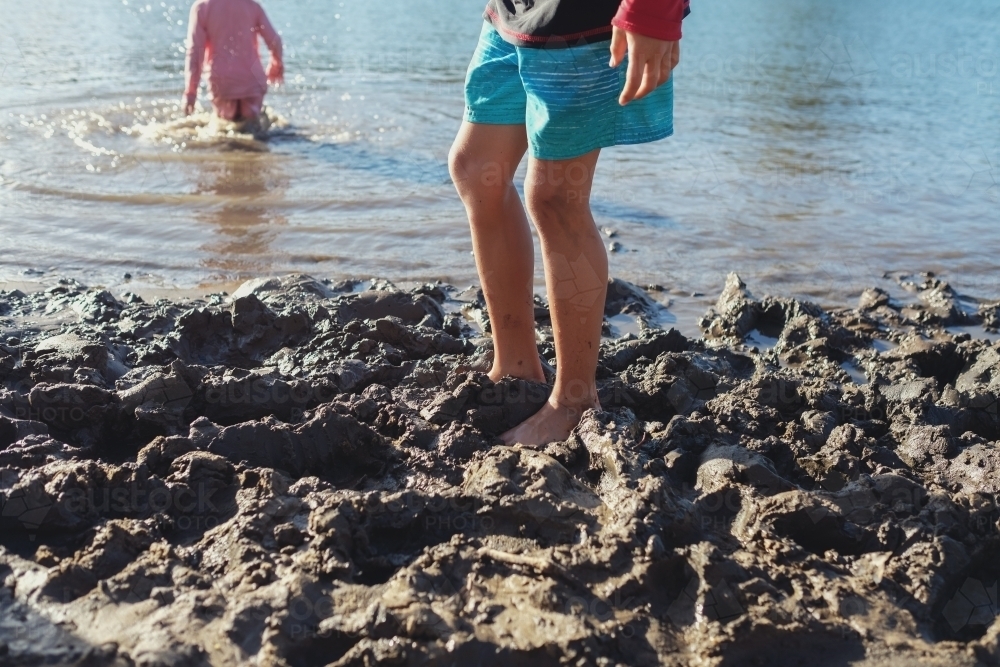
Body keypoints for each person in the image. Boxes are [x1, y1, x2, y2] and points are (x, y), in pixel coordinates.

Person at [449, 0, 689, 447]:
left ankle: (575, 401)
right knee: (477, 169)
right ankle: (516, 365)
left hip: (589, 19)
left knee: (556, 198)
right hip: (518, 11)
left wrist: (655, 11)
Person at [182, 0, 284, 122]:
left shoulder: (202, 7)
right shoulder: (252, 5)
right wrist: (276, 64)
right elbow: (275, 41)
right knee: (252, 126)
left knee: (226, 131)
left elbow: (195, 53)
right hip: (252, 80)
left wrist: (191, 92)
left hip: (222, 82)